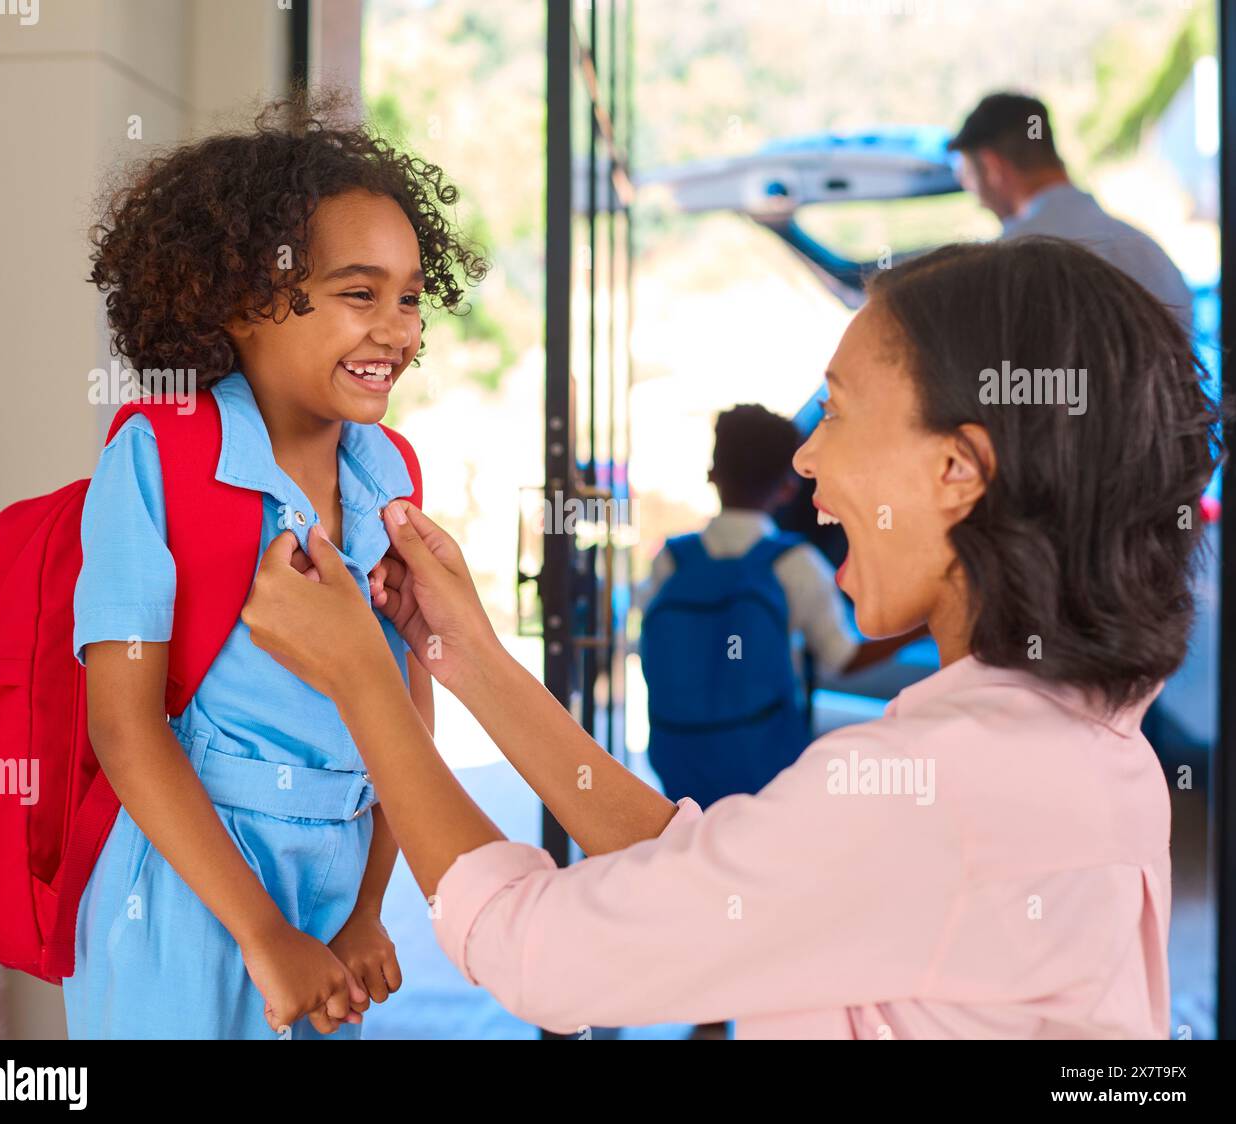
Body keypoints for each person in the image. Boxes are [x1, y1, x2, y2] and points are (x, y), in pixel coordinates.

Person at [240, 237, 1217, 1039]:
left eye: (834, 409)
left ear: (957, 468)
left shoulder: (935, 788)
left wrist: (367, 679)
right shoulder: (1079, 739)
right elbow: (719, 868)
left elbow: (542, 952)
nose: (806, 453)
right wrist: (468, 658)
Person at [63, 92, 485, 1038]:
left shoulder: (390, 474)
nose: (399, 328)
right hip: (186, 893)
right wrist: (258, 929)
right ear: (246, 301)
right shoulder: (157, 457)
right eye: (360, 293)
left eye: (412, 295)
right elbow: (127, 733)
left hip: (334, 897)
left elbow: (401, 709)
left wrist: (371, 904)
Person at [640, 403, 915, 811]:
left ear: (712, 475)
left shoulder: (672, 559)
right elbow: (841, 659)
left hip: (677, 761)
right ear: (788, 487)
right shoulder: (795, 564)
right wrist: (923, 627)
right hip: (765, 767)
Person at [950, 91, 1193, 334]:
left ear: (993, 166)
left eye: (967, 175)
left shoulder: (1004, 269)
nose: (976, 198)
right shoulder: (1148, 251)